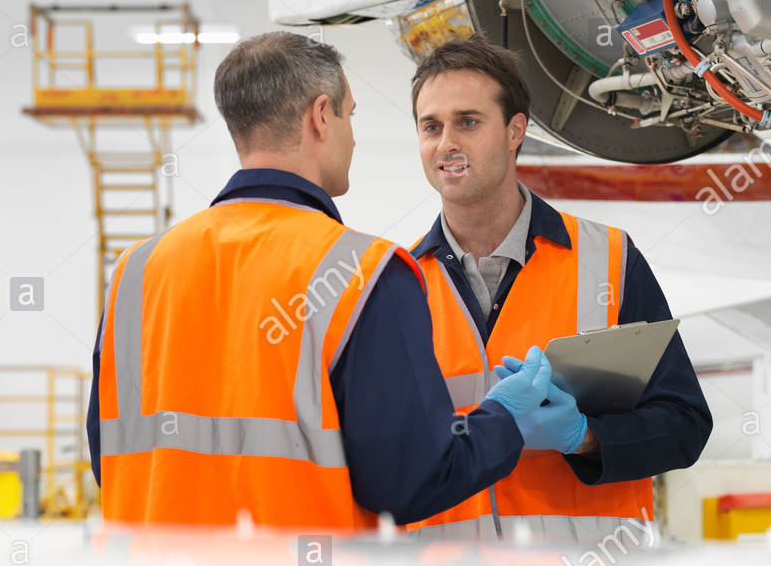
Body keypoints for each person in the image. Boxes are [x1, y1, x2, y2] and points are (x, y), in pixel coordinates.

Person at [86, 31, 554, 531]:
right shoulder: (363, 272)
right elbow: (409, 480)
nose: (352, 136)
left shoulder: (137, 271)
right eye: (350, 115)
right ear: (321, 115)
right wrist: (502, 419)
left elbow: (108, 456)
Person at [408, 36, 712, 540]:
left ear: (515, 130)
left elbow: (684, 427)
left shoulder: (609, 259)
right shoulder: (398, 282)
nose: (446, 144)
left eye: (468, 121)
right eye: (430, 127)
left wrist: (585, 437)